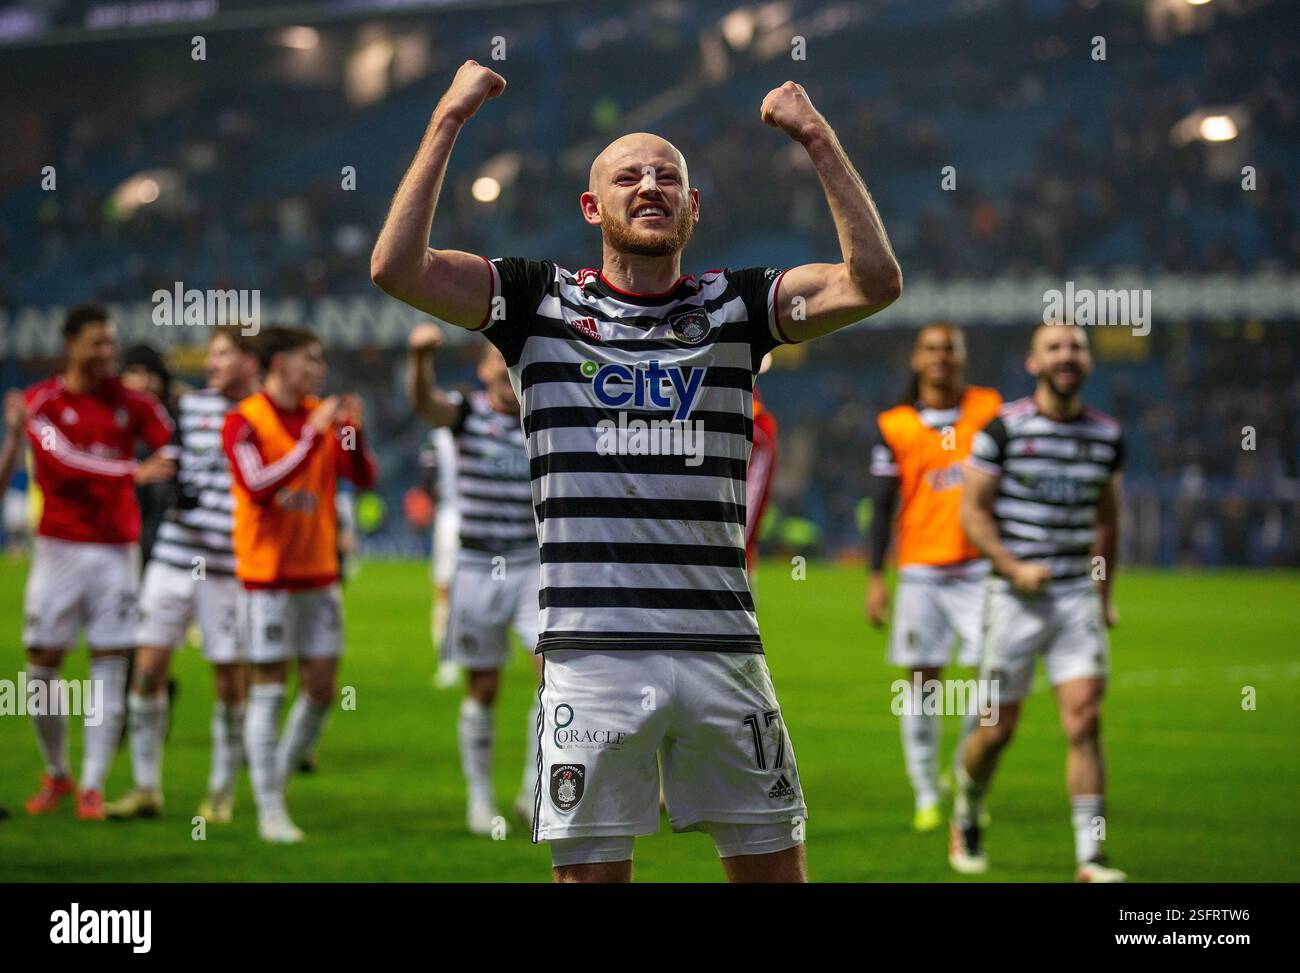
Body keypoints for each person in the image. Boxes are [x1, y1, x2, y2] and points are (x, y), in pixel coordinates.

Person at [371, 61, 901, 882]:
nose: (650, 184)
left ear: (694, 209)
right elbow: (397, 269)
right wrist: (447, 117)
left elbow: (874, 282)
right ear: (593, 207)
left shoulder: (739, 306)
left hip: (724, 650)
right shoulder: (533, 301)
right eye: (628, 175)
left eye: (668, 177)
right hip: (593, 658)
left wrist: (816, 136)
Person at [954, 322, 1126, 883]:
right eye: (1054, 347)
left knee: (1085, 720)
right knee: (997, 729)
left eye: (1075, 347)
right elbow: (973, 514)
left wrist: (1104, 595)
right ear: (1034, 362)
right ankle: (969, 806)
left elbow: (1108, 520)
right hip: (1015, 598)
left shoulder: (1106, 435)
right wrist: (1012, 567)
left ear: (1088, 362)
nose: (1066, 355)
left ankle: (1090, 856)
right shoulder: (1002, 429)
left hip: (1074, 595)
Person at [222, 325, 377, 843]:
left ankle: (276, 787)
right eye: (310, 359)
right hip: (267, 578)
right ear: (280, 362)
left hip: (319, 572)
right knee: (267, 689)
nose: (320, 368)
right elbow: (258, 487)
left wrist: (352, 430)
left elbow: (362, 476)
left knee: (322, 690)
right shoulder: (244, 421)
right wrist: (314, 435)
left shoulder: (324, 416)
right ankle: (269, 812)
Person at [22, 303, 175, 820]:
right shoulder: (40, 402)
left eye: (111, 343)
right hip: (59, 548)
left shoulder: (131, 402)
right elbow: (59, 463)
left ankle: (91, 785)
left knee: (109, 667)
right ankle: (57, 771)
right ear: (71, 345)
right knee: (40, 666)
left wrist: (164, 459)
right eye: (97, 343)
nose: (107, 352)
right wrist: (130, 472)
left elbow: (169, 442)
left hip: (116, 550)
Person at [104, 326, 260, 823]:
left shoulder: (263, 416)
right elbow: (165, 454)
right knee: (146, 671)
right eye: (211, 354)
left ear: (249, 361)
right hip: (174, 559)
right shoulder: (187, 409)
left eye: (223, 353)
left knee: (230, 683)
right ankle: (146, 787)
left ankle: (220, 793)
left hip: (230, 570)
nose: (212, 362)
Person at [864, 323, 1001, 831]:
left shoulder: (990, 410)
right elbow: (881, 507)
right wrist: (876, 578)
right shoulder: (894, 425)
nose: (941, 356)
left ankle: (962, 768)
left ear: (962, 358)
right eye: (931, 349)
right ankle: (925, 792)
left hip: (980, 570)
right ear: (916, 360)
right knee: (921, 686)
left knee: (993, 684)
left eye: (950, 348)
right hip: (920, 572)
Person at [407, 322, 542, 834]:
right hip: (477, 565)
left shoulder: (545, 416)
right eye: (498, 359)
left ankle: (534, 790)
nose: (507, 368)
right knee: (482, 687)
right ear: (484, 368)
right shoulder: (466, 415)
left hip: (534, 564)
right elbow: (425, 405)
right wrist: (420, 361)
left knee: (553, 679)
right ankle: (480, 800)